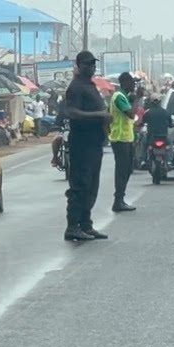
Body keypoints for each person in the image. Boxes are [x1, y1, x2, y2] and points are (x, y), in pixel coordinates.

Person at [63, 51, 111, 241]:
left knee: (92, 185)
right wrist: (99, 115)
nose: (91, 67)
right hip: (81, 142)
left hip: (94, 142)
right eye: (87, 64)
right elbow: (72, 112)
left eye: (93, 64)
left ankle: (86, 224)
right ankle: (72, 226)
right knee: (80, 184)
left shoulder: (90, 85)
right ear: (78, 65)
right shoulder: (75, 87)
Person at [108, 72, 137, 213]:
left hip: (126, 138)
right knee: (122, 171)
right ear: (125, 82)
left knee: (127, 170)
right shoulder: (119, 97)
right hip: (120, 139)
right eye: (132, 82)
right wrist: (136, 100)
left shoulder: (124, 96)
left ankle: (120, 199)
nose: (134, 85)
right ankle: (118, 200)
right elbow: (131, 114)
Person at [141, 95, 174, 165]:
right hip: (164, 136)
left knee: (143, 144)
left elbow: (142, 122)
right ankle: (169, 161)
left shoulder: (147, 113)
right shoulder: (166, 112)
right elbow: (171, 124)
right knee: (170, 144)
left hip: (151, 136)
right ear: (160, 102)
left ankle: (143, 160)